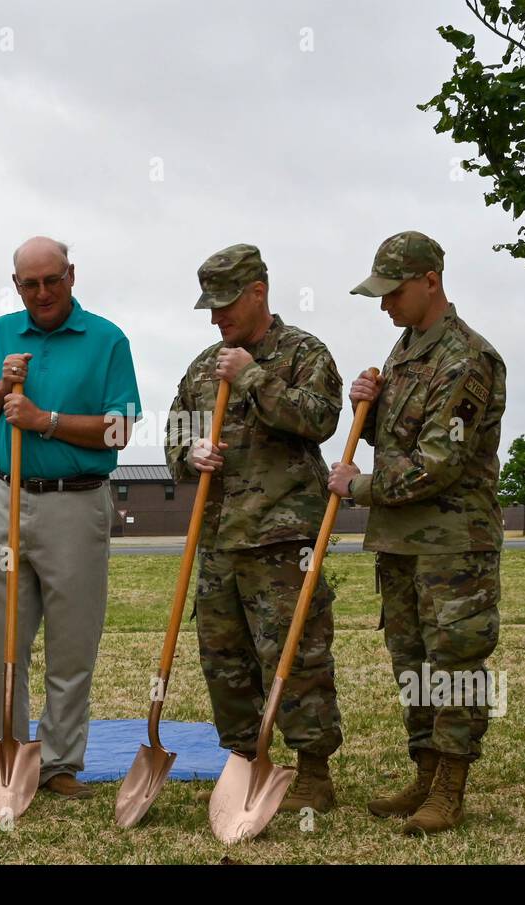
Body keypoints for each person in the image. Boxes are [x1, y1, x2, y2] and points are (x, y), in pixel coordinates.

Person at [328, 230, 506, 835]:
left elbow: (438, 462)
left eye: (393, 292)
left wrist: (358, 486)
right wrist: (367, 410)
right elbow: (398, 440)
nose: (385, 305)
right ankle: (424, 775)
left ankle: (451, 787)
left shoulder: (467, 358)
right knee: (413, 664)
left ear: (431, 280)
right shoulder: (405, 352)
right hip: (400, 542)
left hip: (453, 545)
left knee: (455, 663)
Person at [0, 236, 140, 798]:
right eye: (29, 283)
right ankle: (4, 758)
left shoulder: (107, 339)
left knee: (72, 641)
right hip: (4, 496)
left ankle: (59, 764)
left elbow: (120, 430)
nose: (42, 292)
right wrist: (1, 389)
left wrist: (45, 420)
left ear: (71, 275)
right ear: (16, 286)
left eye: (52, 280)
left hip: (76, 502)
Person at [166, 243, 343, 812]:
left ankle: (313, 771)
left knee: (296, 656)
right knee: (224, 657)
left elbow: (319, 419)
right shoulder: (201, 367)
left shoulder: (301, 353)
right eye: (210, 308)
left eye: (226, 305)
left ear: (258, 292)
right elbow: (175, 437)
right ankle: (246, 760)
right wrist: (189, 453)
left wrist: (253, 378)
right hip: (218, 538)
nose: (217, 318)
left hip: (282, 538)